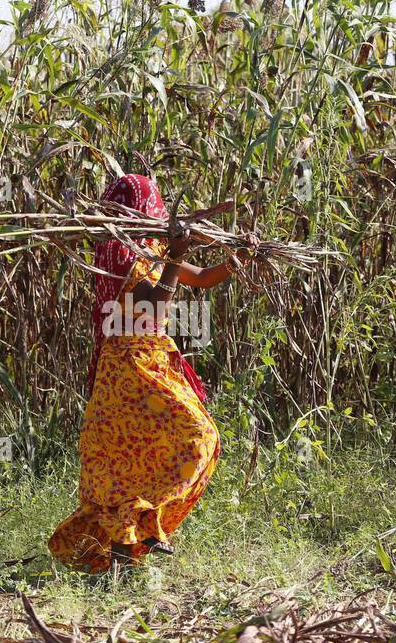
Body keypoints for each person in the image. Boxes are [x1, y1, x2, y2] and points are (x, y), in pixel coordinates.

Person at [48, 173, 254, 573]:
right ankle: (132, 547)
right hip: (128, 368)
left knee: (149, 459)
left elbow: (204, 278)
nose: (158, 213)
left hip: (148, 364)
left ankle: (137, 543)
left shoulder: (150, 248)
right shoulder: (120, 255)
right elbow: (153, 307)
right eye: (152, 207)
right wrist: (174, 257)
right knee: (193, 437)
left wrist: (236, 258)